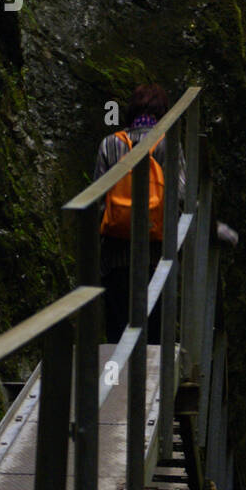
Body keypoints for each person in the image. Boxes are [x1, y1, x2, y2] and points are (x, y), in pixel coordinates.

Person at [93, 84, 184, 344]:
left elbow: (99, 202)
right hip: (156, 259)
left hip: (115, 258)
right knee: (153, 337)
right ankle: (149, 382)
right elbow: (180, 196)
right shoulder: (168, 143)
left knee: (118, 332)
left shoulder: (109, 145)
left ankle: (115, 381)